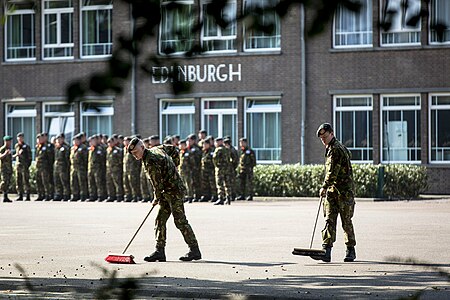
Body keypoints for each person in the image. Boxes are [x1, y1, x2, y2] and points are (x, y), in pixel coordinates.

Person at [128, 137, 201, 262]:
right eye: (132, 154)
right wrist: (175, 165)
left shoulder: (150, 160)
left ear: (142, 147)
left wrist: (156, 198)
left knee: (180, 221)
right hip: (168, 191)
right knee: (160, 220)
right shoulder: (157, 149)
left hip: (174, 191)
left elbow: (157, 183)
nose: (135, 156)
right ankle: (159, 251)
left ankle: (194, 250)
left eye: (135, 152)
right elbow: (173, 150)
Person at [313, 123, 356, 263]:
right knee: (329, 220)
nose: (323, 140)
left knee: (346, 221)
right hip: (333, 192)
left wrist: (324, 187)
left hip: (344, 192)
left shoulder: (336, 149)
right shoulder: (331, 148)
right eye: (321, 138)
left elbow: (332, 172)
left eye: (325, 137)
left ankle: (350, 250)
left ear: (332, 134)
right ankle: (326, 250)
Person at [212, 137, 232, 205]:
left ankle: (221, 198)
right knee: (227, 183)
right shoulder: (227, 149)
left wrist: (217, 166)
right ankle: (228, 197)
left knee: (219, 183)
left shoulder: (218, 149)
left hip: (220, 169)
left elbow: (214, 159)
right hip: (227, 169)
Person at [13, 132, 32, 201]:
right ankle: (20, 195)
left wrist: (27, 165)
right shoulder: (16, 146)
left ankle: (27, 195)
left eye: (21, 137)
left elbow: (30, 158)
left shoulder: (26, 146)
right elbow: (16, 155)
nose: (20, 139)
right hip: (18, 165)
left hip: (24, 166)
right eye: (19, 137)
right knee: (18, 180)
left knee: (25, 181)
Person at [35, 133, 54, 201]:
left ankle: (47, 195)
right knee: (38, 181)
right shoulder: (37, 147)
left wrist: (49, 167)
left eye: (40, 138)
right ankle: (40, 195)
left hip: (45, 167)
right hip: (38, 167)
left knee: (45, 182)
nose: (39, 140)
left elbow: (50, 158)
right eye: (38, 139)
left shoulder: (47, 146)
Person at [70, 134, 89, 201]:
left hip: (81, 168)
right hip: (73, 168)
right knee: (73, 182)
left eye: (76, 140)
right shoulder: (72, 148)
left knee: (82, 182)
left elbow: (85, 159)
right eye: (74, 141)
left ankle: (83, 195)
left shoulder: (83, 148)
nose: (75, 142)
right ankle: (75, 195)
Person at [88, 135, 107, 201]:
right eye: (90, 141)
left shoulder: (100, 148)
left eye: (93, 141)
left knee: (99, 182)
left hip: (98, 169)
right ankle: (92, 195)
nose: (91, 142)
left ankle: (100, 196)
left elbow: (102, 160)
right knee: (91, 182)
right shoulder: (91, 149)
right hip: (91, 168)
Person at [106, 137, 124, 202]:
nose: (109, 143)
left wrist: (117, 167)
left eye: (110, 142)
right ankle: (111, 196)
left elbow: (120, 160)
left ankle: (119, 196)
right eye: (108, 142)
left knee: (117, 183)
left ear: (114, 142)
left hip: (116, 170)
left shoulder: (118, 150)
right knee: (109, 183)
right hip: (109, 169)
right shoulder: (108, 150)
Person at [53, 134, 71, 201]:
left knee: (64, 181)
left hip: (63, 167)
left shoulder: (65, 147)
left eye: (60, 139)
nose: (58, 140)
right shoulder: (56, 147)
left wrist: (67, 167)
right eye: (57, 139)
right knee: (57, 181)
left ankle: (66, 195)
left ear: (63, 139)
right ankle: (58, 194)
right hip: (56, 166)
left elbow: (67, 158)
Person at [0, 136, 13, 203]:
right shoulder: (3, 149)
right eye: (9, 141)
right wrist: (5, 154)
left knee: (8, 183)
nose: (10, 142)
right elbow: (0, 156)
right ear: (5, 141)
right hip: (4, 169)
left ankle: (5, 196)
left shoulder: (9, 148)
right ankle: (4, 194)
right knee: (4, 182)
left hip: (9, 169)